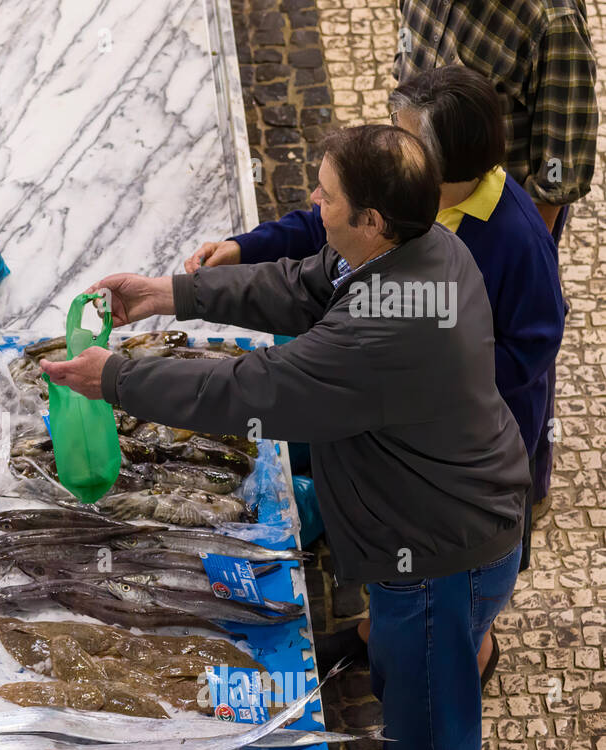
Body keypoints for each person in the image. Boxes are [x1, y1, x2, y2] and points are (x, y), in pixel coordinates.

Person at [41, 125, 529, 750]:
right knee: (407, 664)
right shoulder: (418, 250)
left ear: (371, 219)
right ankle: (384, 674)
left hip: (441, 555)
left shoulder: (386, 328)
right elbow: (298, 285)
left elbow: (257, 389)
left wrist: (119, 380)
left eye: (326, 196)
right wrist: (171, 293)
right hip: (431, 521)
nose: (312, 202)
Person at [184, 66, 564, 682]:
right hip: (398, 418)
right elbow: (325, 229)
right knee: (398, 557)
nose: (390, 139)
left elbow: (534, 347)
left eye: (402, 134)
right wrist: (246, 247)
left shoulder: (516, 239)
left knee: (455, 594)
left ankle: (468, 662)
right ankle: (373, 634)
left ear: (437, 167)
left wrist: (429, 373)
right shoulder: (398, 197)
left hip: (469, 451)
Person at [397, 0, 599, 519]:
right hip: (430, 210)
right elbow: (406, 68)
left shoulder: (551, 23)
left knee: (514, 361)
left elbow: (559, 170)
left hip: (494, 230)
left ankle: (520, 489)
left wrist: (516, 252)